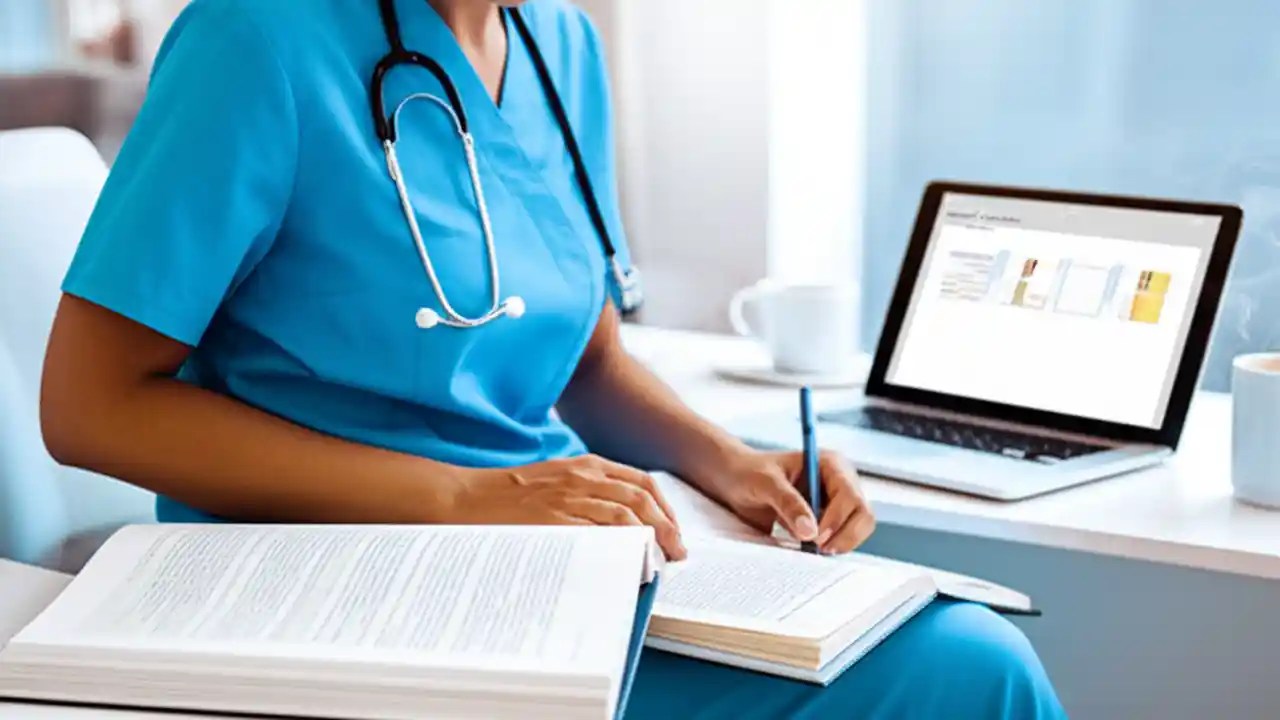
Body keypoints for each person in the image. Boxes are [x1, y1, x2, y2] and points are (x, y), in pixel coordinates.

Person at [40, 0, 1067, 717]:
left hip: (547, 558)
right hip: (329, 580)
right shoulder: (255, 40)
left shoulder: (556, 46)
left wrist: (731, 464)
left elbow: (586, 364)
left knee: (962, 652)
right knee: (968, 676)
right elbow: (90, 407)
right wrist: (468, 500)